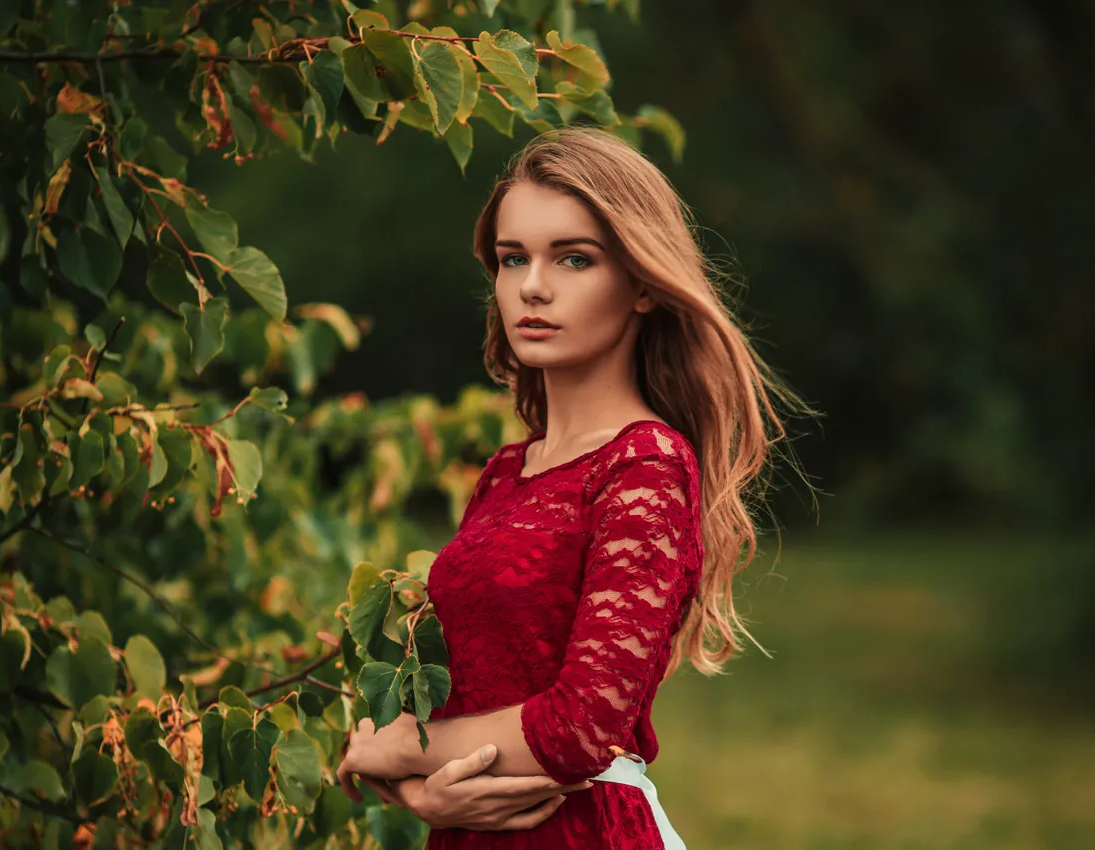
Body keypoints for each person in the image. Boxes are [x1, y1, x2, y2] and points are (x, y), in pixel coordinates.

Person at [335, 125, 809, 848]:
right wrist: (421, 794)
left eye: (574, 259)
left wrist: (401, 748)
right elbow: (462, 691)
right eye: (512, 258)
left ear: (644, 284)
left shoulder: (645, 466)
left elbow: (583, 725)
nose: (532, 286)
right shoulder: (503, 474)